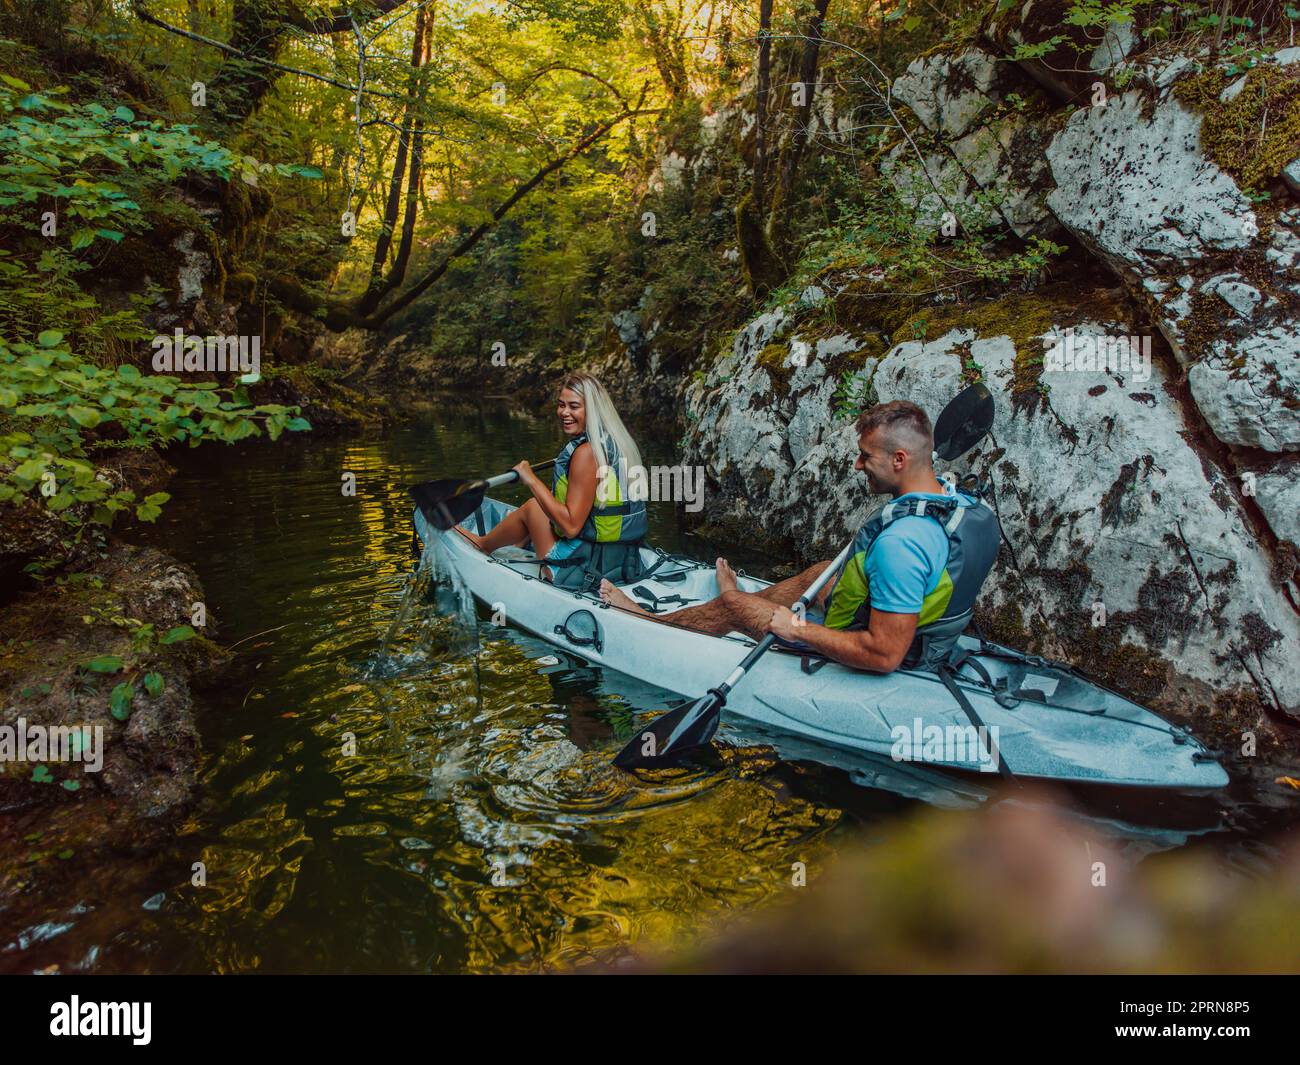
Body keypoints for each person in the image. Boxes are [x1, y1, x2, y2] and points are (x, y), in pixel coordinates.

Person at [599, 400, 1001, 674]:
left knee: (733, 605)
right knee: (824, 572)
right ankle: (747, 600)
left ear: (900, 460)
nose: (858, 463)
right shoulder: (956, 501)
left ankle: (650, 620)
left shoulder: (902, 545)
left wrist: (799, 629)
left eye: (866, 455)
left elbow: (884, 655)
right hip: (928, 634)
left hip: (884, 647)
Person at [456, 372, 647, 590]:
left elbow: (571, 527)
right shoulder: (615, 442)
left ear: (592, 410)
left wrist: (531, 479)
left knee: (534, 506)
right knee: (543, 505)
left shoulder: (586, 454)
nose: (564, 413)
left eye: (574, 406)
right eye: (561, 405)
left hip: (582, 571)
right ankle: (517, 543)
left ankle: (482, 545)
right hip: (623, 563)